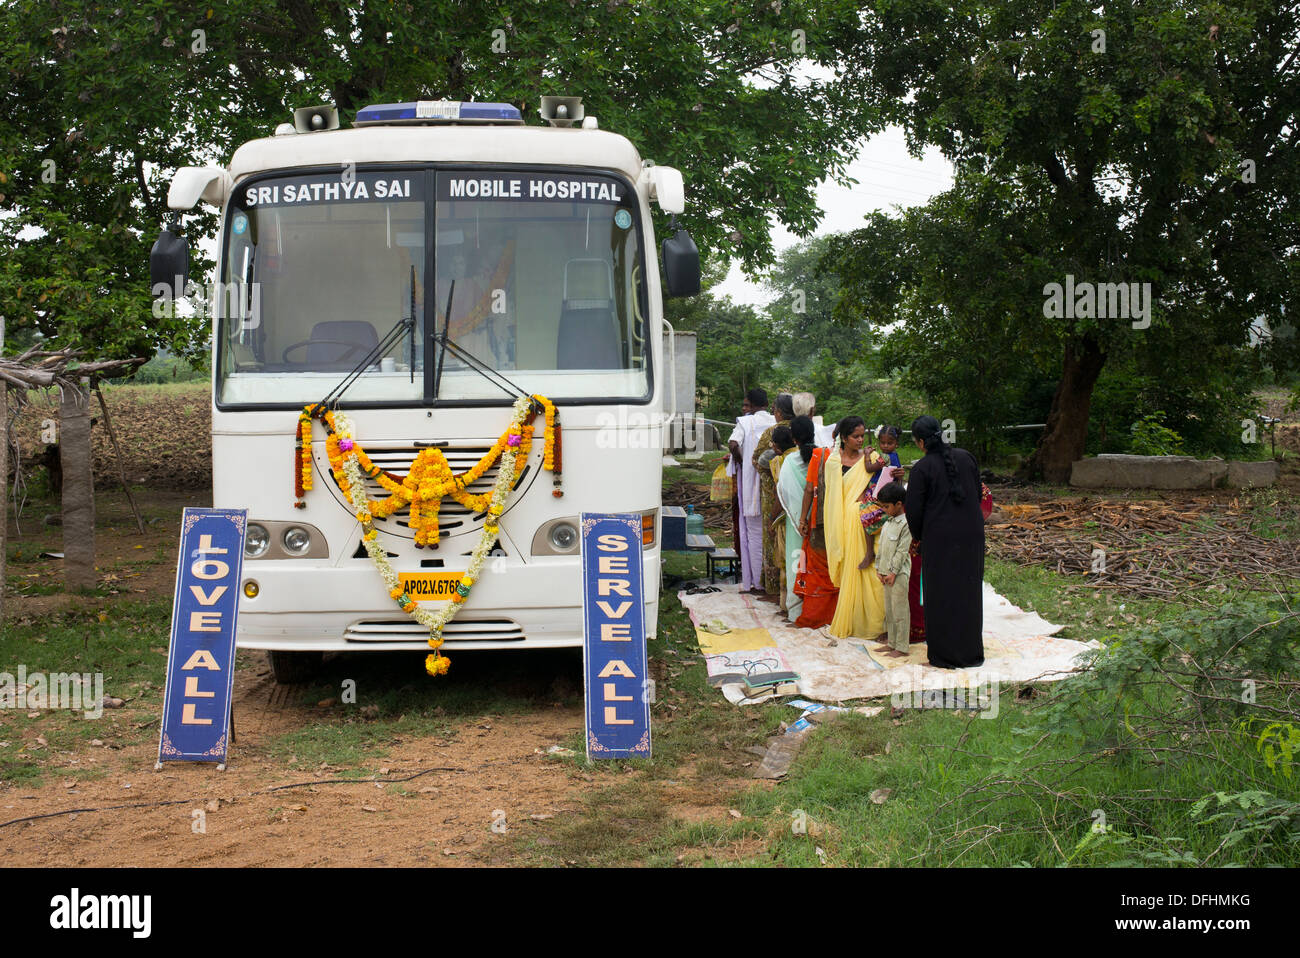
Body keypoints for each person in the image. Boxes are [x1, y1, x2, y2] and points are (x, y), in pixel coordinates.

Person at [904, 415, 985, 668]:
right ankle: (971, 652)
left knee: (941, 594)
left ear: (919, 442)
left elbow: (913, 511)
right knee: (968, 591)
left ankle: (944, 654)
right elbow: (977, 492)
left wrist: (918, 538)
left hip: (939, 539)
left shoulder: (921, 469)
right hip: (971, 535)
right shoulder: (967, 458)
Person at [824, 416, 886, 641]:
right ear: (844, 437)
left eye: (862, 436)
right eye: (855, 436)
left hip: (870, 518)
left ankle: (877, 623)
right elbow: (832, 499)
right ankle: (856, 620)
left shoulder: (872, 458)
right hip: (847, 523)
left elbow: (883, 484)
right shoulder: (833, 462)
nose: (860, 440)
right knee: (855, 568)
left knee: (873, 574)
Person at [727, 388, 775, 593]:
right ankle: (774, 582)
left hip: (751, 484)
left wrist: (741, 458)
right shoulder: (776, 421)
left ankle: (757, 581)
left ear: (752, 405)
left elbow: (732, 443)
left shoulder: (745, 422)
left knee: (754, 534)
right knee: (774, 532)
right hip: (773, 483)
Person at [794, 432, 839, 629]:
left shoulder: (820, 456)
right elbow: (809, 489)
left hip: (832, 526)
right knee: (828, 571)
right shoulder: (822, 456)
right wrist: (803, 518)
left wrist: (803, 518)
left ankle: (816, 617)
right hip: (831, 526)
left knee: (819, 573)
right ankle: (834, 617)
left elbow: (809, 489)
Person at [753, 393, 795, 601]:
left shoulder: (772, 432)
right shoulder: (802, 428)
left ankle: (773, 587)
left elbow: (757, 460)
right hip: (797, 493)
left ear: (778, 412)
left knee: (772, 536)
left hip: (773, 492)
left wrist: (769, 472)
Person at [778, 416, 816, 622]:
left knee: (797, 563)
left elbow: (783, 491)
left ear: (793, 438)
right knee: (816, 565)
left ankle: (796, 610)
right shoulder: (824, 456)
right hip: (819, 521)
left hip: (796, 523)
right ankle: (817, 609)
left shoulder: (790, 461)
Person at [873, 481, 913, 658]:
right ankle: (892, 643)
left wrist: (893, 572)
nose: (884, 509)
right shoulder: (888, 522)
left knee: (900, 610)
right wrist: (879, 568)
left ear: (898, 504)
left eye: (886, 506)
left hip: (898, 574)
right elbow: (881, 548)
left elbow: (902, 551)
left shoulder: (906, 524)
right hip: (885, 573)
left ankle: (902, 647)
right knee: (889, 610)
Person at [765, 424, 796, 613]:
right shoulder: (803, 455)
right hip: (804, 515)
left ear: (776, 446)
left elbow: (779, 494)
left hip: (786, 516)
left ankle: (786, 604)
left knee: (785, 559)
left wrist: (771, 518)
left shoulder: (779, 462)